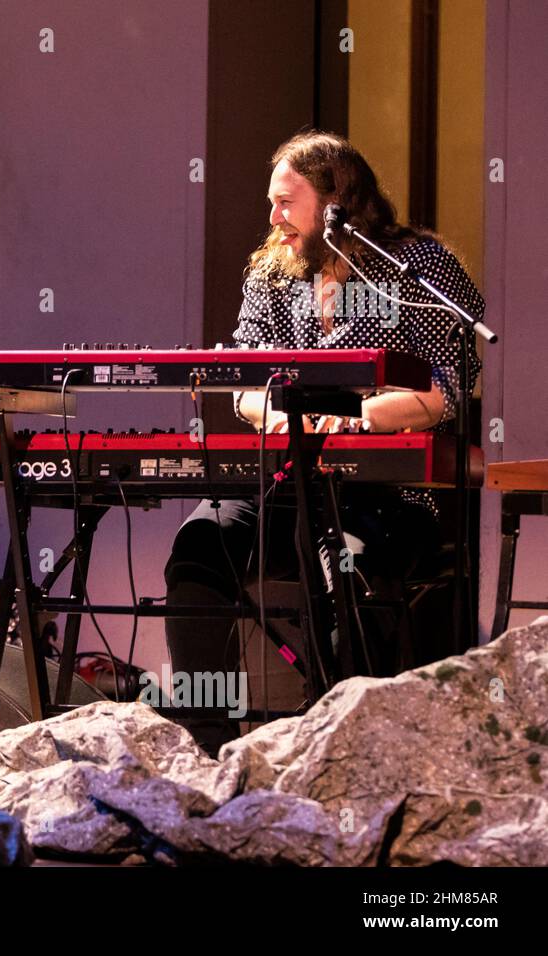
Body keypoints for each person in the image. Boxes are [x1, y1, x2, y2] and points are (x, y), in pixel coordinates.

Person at [162, 130, 484, 757]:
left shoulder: (416, 268)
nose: (274, 218)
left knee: (353, 569)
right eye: (271, 203)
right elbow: (246, 387)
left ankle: (351, 752)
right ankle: (204, 748)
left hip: (389, 494)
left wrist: (356, 420)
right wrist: (290, 420)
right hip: (290, 483)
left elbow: (447, 389)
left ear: (336, 201)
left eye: (287, 202)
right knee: (201, 544)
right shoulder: (272, 275)